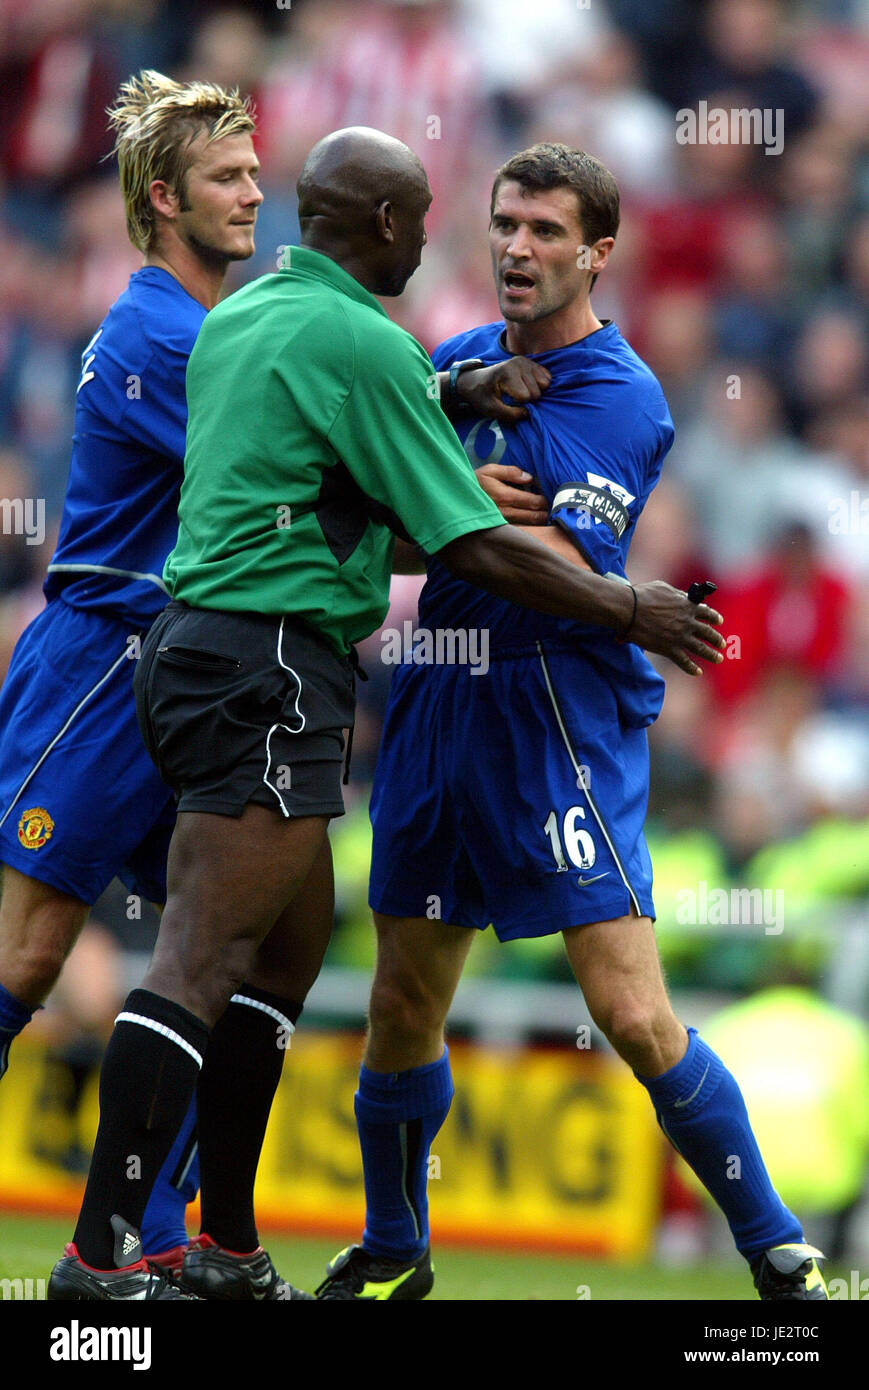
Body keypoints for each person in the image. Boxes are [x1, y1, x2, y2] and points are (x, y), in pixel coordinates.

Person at [47, 125, 724, 1301]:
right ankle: (99, 1256)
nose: (449, 236)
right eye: (424, 215)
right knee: (200, 956)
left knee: (286, 954)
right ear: (380, 225)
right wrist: (630, 606)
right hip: (266, 663)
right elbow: (464, 542)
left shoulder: (244, 318)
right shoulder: (365, 341)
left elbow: (331, 497)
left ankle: (229, 1243)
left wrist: (446, 397)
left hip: (215, 655)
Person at [314, 143, 828, 1302]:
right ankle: (396, 1246)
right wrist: (441, 515)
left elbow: (552, 561)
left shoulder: (617, 393)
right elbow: (383, 539)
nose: (515, 247)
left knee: (631, 1011)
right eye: (503, 224)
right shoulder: (448, 365)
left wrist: (436, 515)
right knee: (402, 998)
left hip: (554, 706)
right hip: (439, 699)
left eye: (546, 231)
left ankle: (777, 1250)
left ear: (597, 252)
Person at [0, 70, 268, 1290]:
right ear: (163, 199)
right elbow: (283, 469)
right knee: (23, 959)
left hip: (173, 678)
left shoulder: (221, 324)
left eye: (255, 169)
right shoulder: (163, 331)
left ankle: (153, 1238)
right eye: (226, 175)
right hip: (100, 666)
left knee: (206, 955)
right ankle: (146, 1240)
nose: (254, 188)